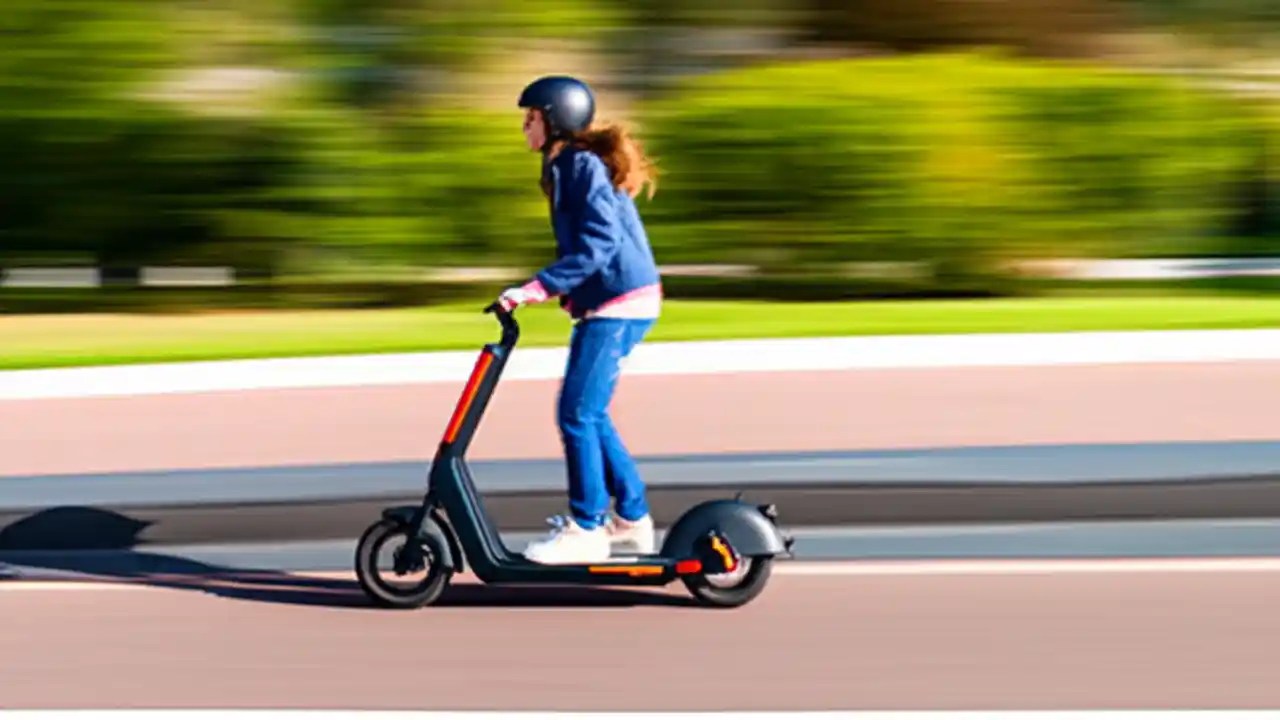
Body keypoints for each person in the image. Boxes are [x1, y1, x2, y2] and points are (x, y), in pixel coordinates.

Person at [495, 75, 663, 565]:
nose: (525, 126)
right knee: (590, 412)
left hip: (621, 300)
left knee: (575, 413)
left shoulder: (579, 164)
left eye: (531, 117)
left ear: (555, 119)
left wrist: (540, 286)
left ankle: (587, 526)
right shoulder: (566, 164)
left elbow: (599, 243)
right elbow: (591, 244)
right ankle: (630, 521)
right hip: (619, 298)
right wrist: (570, 291)